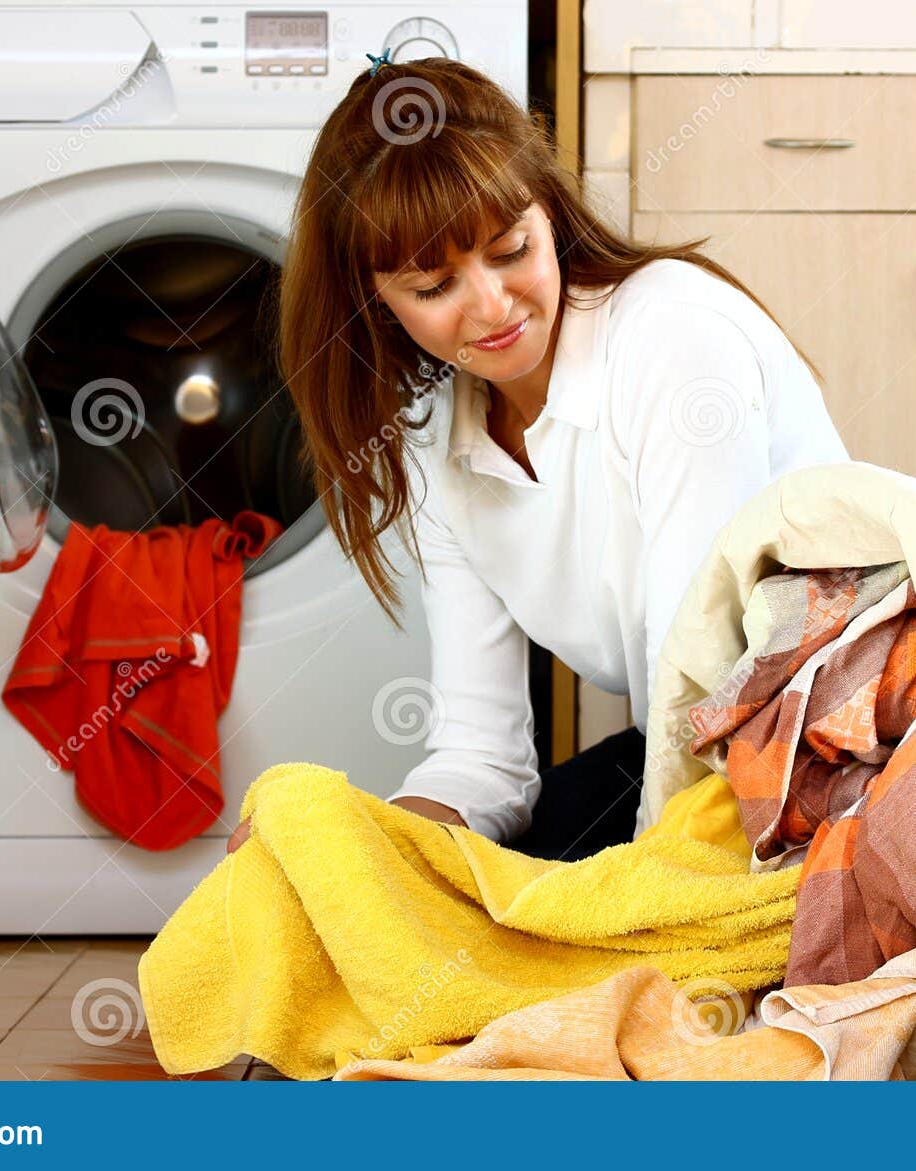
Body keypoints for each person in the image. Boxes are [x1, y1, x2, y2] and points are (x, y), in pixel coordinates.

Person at [227, 53, 848, 863]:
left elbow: (699, 684)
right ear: (375, 303)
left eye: (510, 248)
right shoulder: (438, 448)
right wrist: (354, 849)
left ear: (548, 216)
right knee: (411, 876)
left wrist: (628, 909)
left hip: (842, 750)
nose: (492, 306)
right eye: (432, 285)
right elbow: (482, 759)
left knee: (541, 904)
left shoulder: (672, 340)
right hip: (702, 758)